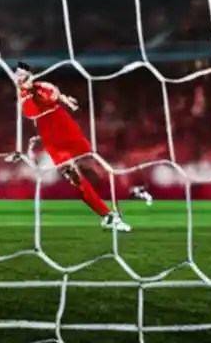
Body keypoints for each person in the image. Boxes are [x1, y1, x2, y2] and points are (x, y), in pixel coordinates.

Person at [12, 62, 130, 232]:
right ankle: (107, 216)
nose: (18, 77)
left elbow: (56, 97)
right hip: (54, 142)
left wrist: (66, 100)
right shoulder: (23, 97)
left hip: (69, 133)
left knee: (94, 172)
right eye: (16, 74)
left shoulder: (44, 87)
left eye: (21, 73)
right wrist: (28, 93)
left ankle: (116, 212)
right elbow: (32, 113)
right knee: (74, 177)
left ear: (30, 75)